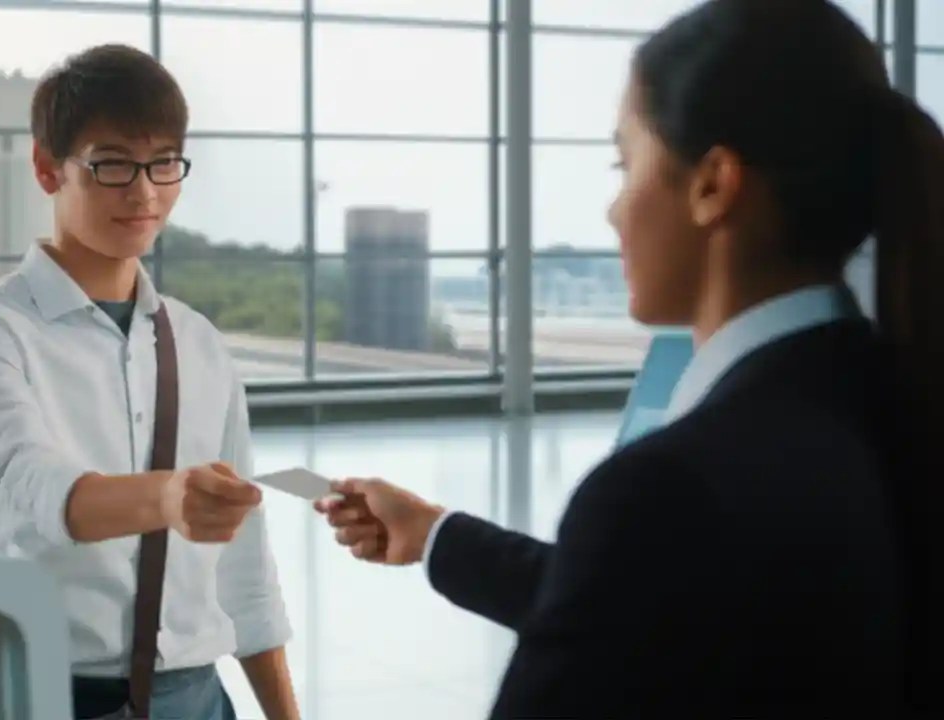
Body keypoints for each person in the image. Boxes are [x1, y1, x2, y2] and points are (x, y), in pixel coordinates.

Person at [318, 1, 943, 717]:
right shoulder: (895, 403)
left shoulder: (669, 488)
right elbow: (660, 605)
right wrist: (437, 537)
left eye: (625, 162)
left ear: (713, 185)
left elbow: (651, 577)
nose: (614, 210)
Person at [0, 45, 299, 720]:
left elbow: (246, 573)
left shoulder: (199, 344)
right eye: (112, 164)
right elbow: (25, 487)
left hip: (200, 698)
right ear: (48, 168)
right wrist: (169, 497)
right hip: (52, 694)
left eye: (164, 163)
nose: (144, 191)